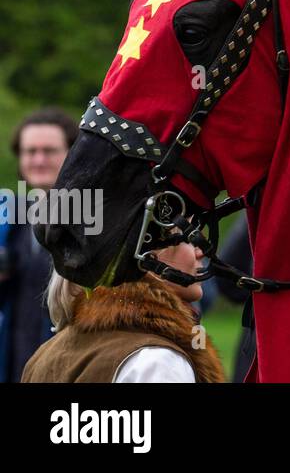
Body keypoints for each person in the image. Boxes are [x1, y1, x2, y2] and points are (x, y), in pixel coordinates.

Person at [22, 236, 223, 382]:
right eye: (186, 237)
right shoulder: (157, 362)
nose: (200, 251)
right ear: (145, 255)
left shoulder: (45, 354)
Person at [1, 108, 76, 381]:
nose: (39, 159)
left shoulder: (97, 224)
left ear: (73, 154)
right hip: (13, 366)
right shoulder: (7, 222)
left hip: (69, 369)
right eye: (30, 151)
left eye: (49, 150)